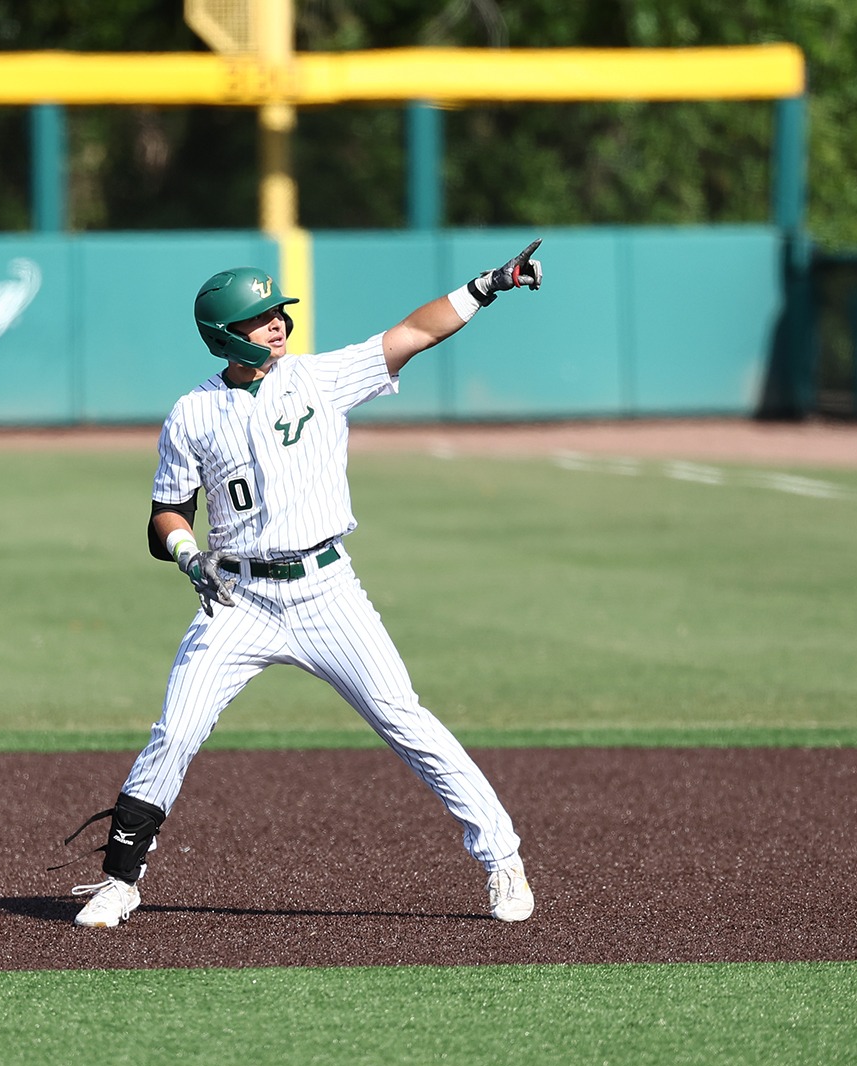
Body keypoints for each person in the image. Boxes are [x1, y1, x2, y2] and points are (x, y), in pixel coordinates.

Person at [69, 241, 545, 928]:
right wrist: (185, 554)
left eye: (278, 313)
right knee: (174, 732)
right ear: (227, 335)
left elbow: (413, 332)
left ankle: (503, 860)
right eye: (262, 317)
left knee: (404, 720)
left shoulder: (321, 378)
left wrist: (490, 283)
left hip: (327, 592)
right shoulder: (192, 414)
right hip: (237, 600)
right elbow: (164, 514)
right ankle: (120, 880)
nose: (278, 324)